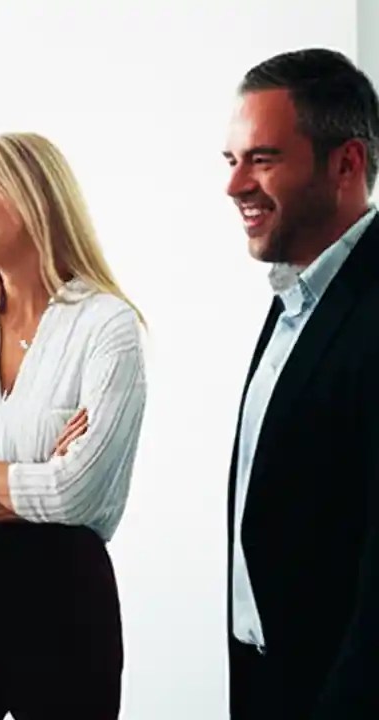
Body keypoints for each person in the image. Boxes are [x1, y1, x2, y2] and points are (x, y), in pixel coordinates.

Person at [0, 132, 148, 719]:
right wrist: (38, 482)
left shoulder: (107, 326)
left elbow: (76, 491)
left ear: (32, 193)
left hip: (63, 592)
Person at [223, 48, 379, 719]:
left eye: (262, 158)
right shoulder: (297, 294)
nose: (235, 186)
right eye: (231, 161)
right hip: (269, 681)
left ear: (347, 163)